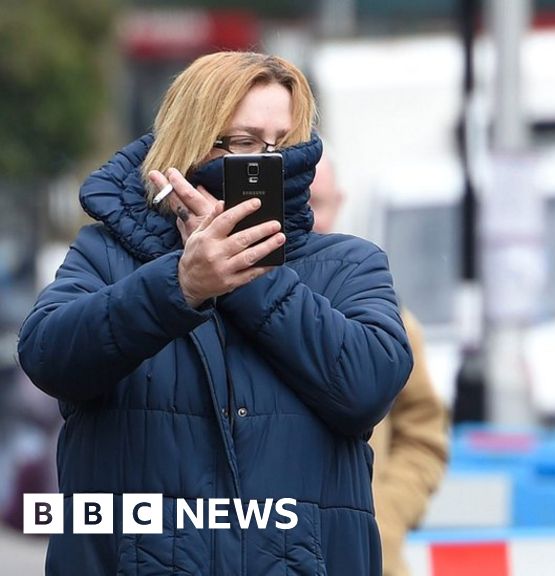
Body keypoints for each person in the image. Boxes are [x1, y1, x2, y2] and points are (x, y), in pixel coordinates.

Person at [17, 51, 412, 575]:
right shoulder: (106, 254)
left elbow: (369, 386)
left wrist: (252, 277)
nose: (266, 164)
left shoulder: (348, 264)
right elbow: (48, 357)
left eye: (283, 145)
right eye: (245, 143)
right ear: (191, 139)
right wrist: (178, 286)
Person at [310, 154, 450, 576]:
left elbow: (424, 436)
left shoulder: (385, 315)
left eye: (317, 202)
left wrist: (380, 518)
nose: (309, 218)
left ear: (339, 202)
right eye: (295, 200)